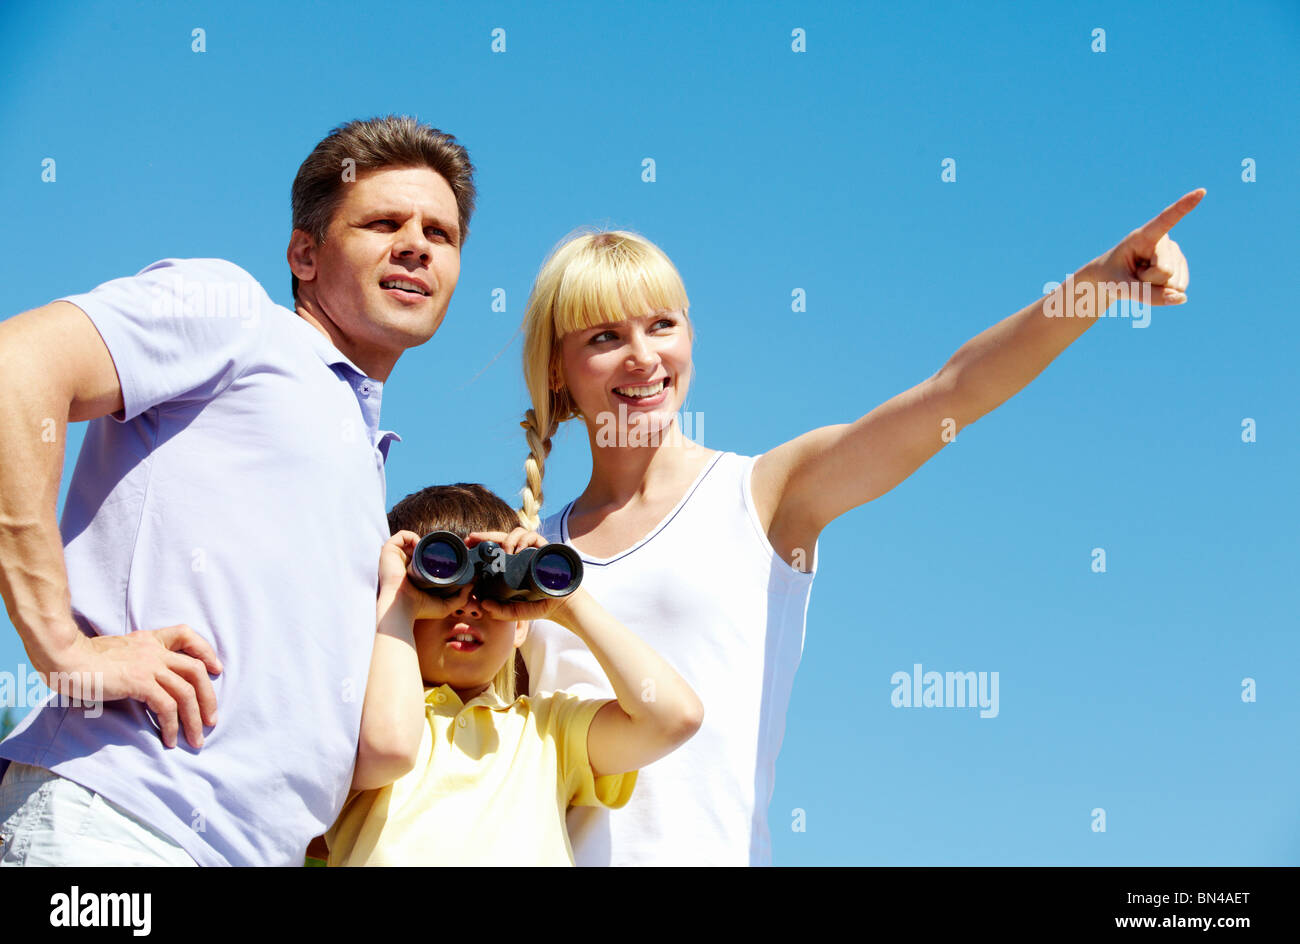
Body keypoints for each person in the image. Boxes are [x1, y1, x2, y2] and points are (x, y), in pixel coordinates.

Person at [514, 190, 1205, 866]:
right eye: (605, 337)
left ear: (691, 335)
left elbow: (953, 392)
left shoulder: (763, 495)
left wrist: (1100, 282)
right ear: (557, 369)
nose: (642, 357)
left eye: (661, 325)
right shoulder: (531, 552)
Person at [0, 115, 475, 866]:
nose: (417, 243)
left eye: (441, 234)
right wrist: (59, 645)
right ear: (305, 254)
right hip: (120, 826)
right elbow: (15, 369)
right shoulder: (237, 316)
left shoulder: (365, 462)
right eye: (384, 222)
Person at [320, 483, 702, 865]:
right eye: (441, 580)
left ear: (521, 626)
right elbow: (390, 748)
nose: (468, 609)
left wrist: (567, 602)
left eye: (493, 591)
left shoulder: (547, 732)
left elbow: (673, 717)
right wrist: (398, 602)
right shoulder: (357, 726)